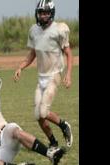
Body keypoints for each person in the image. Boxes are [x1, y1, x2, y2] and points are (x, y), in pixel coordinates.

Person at [14, 0, 73, 149]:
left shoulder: (59, 29)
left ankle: (64, 125)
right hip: (41, 77)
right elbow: (32, 54)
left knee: (43, 111)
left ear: (51, 13)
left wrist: (68, 74)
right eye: (41, 13)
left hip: (54, 75)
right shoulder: (34, 30)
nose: (43, 16)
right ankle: (53, 142)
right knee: (38, 116)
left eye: (46, 13)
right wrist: (21, 67)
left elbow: (68, 53)